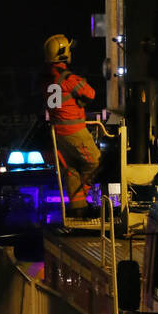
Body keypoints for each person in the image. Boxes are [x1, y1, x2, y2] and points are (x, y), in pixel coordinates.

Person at [42, 35, 101, 217]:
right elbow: (91, 94)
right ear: (63, 54)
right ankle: (82, 194)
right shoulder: (69, 79)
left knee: (72, 169)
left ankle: (78, 208)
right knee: (96, 162)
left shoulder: (47, 81)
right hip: (75, 132)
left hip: (58, 134)